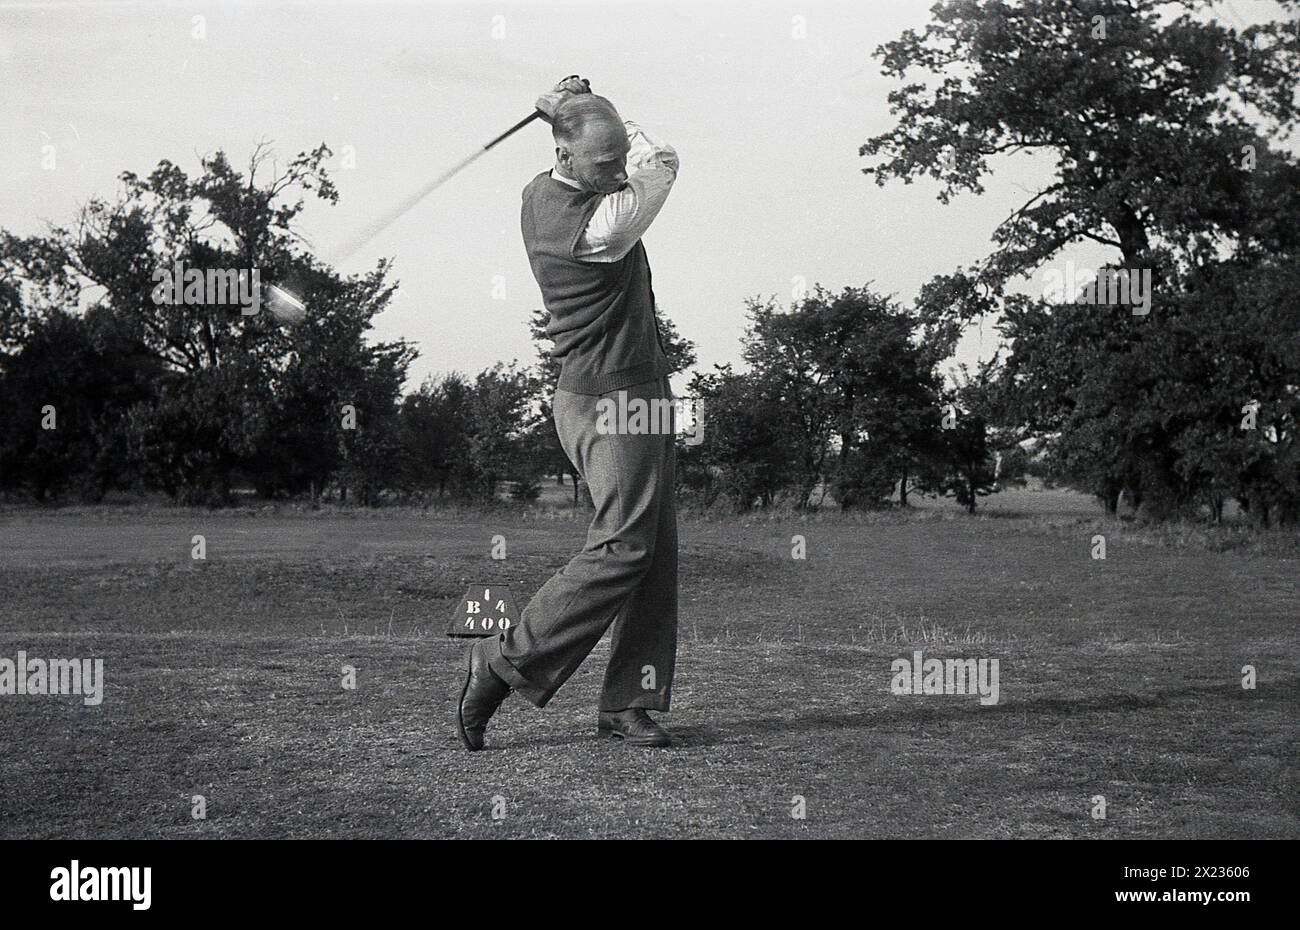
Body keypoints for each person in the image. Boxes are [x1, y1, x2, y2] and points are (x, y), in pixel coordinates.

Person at [456, 75, 681, 751]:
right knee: (623, 547)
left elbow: (611, 150)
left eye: (615, 161)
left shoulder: (543, 186)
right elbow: (663, 162)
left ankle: (627, 701)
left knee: (654, 550)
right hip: (611, 398)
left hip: (634, 388)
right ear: (564, 153)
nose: (616, 173)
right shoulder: (603, 225)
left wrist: (577, 107)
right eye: (602, 163)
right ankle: (501, 661)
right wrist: (594, 111)